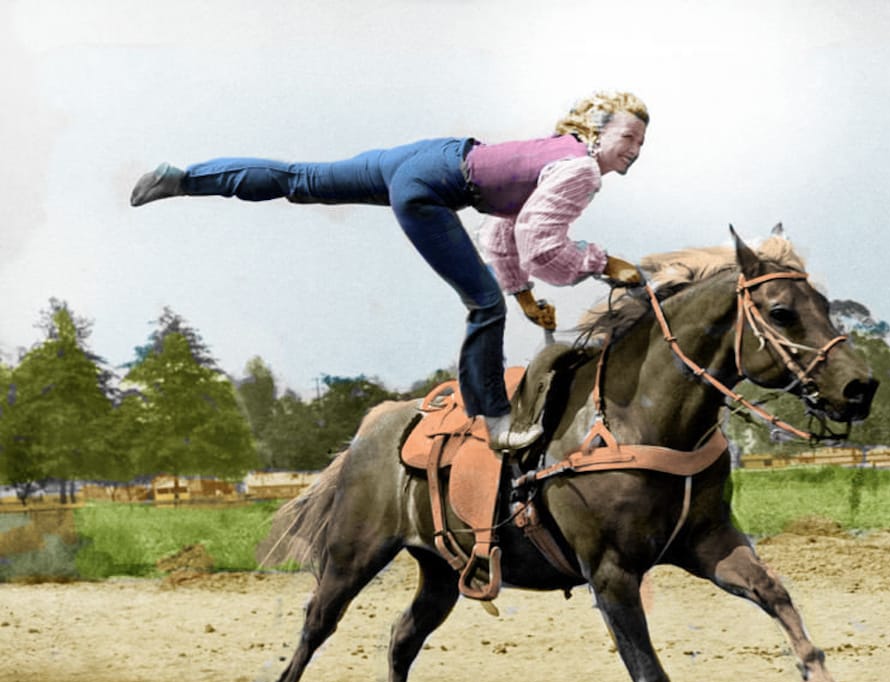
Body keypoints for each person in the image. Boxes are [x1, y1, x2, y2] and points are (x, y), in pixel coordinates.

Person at [130, 91, 648, 450]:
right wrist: (603, 265)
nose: (634, 152)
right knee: (482, 304)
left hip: (426, 156)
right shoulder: (580, 170)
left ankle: (182, 179)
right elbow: (539, 243)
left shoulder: (554, 154)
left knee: (300, 179)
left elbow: (503, 227)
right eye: (627, 138)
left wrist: (525, 297)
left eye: (642, 145)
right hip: (431, 188)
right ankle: (494, 420)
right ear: (596, 132)